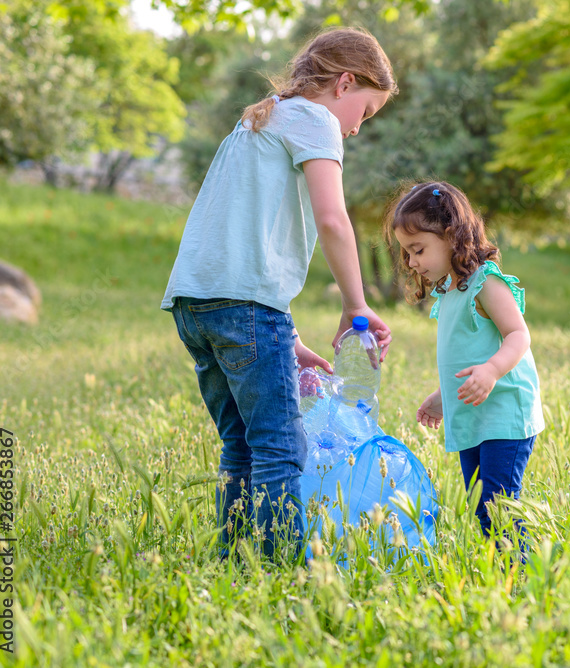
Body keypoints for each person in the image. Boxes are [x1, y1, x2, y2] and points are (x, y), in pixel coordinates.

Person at [161, 27, 396, 561]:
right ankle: (273, 571)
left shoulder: (257, 118)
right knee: (281, 447)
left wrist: (284, 336)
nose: (358, 128)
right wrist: (355, 305)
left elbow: (240, 244)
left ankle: (232, 562)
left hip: (195, 306)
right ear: (344, 83)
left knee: (241, 444)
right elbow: (333, 219)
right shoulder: (315, 120)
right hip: (245, 309)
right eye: (366, 110)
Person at [385, 182, 545, 541]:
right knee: (480, 504)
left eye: (418, 250)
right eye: (407, 254)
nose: (411, 262)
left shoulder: (485, 283)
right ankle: (504, 577)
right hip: (474, 413)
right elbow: (468, 353)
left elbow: (518, 335)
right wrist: (445, 395)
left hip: (504, 410)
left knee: (498, 505)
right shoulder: (449, 293)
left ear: (450, 234)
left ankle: (519, 574)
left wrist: (491, 371)